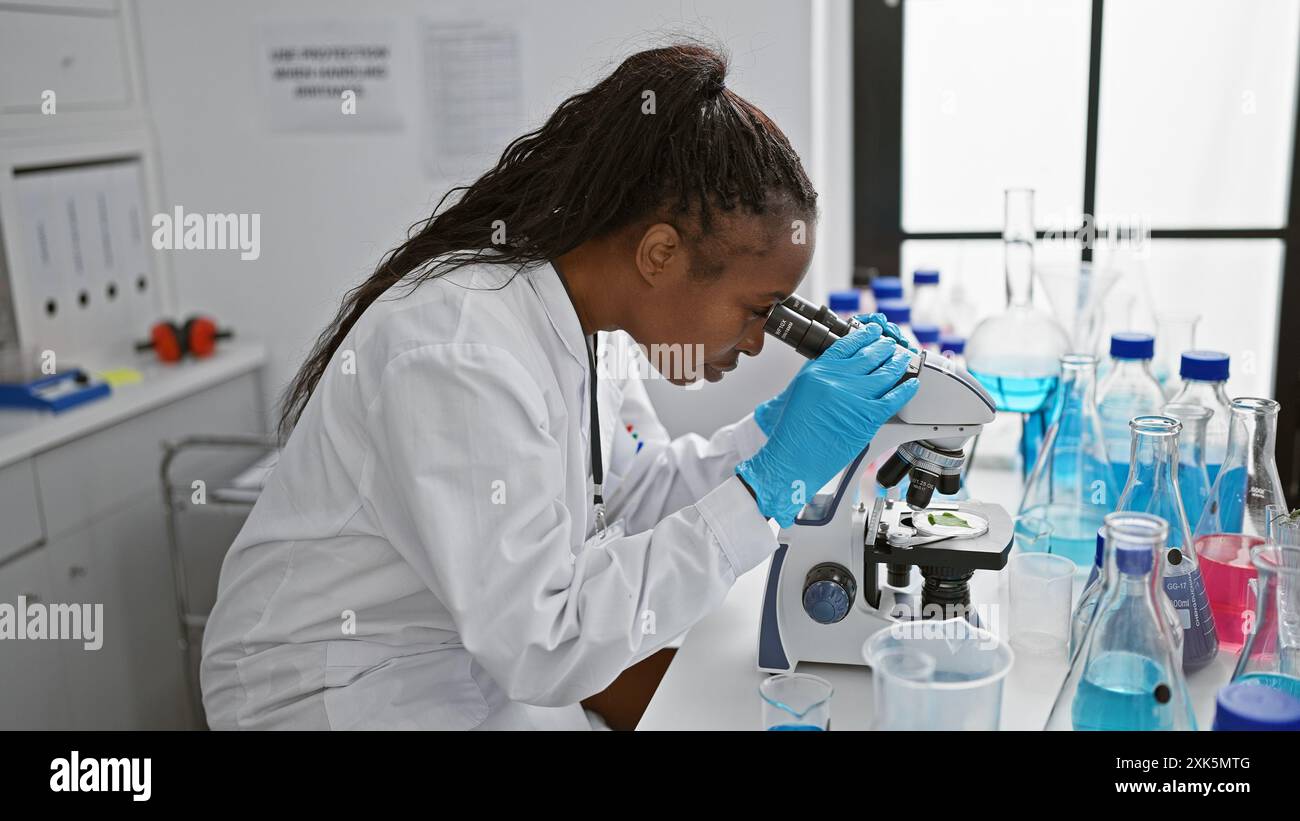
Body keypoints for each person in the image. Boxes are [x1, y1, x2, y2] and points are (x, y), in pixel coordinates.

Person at [200, 43, 917, 730]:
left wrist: (774, 433)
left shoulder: (589, 327)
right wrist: (766, 487)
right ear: (660, 252)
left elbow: (635, 494)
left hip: (468, 666)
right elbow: (541, 639)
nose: (760, 339)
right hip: (344, 694)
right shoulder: (459, 350)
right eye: (757, 310)